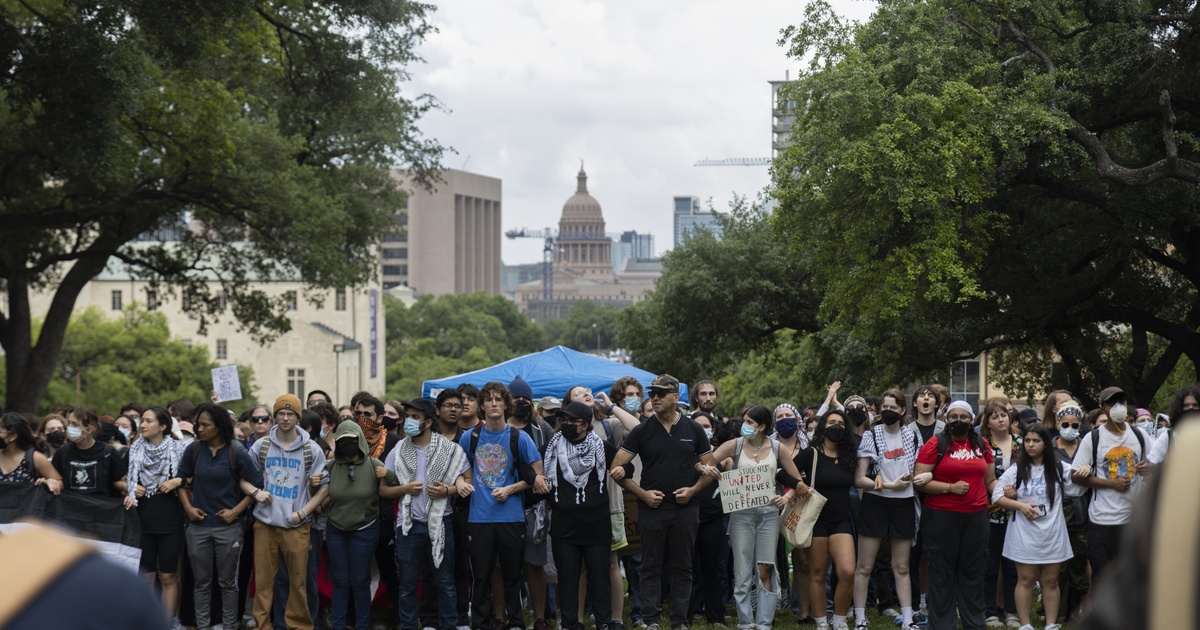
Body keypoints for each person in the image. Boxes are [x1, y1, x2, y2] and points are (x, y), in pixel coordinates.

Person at [610, 375, 720, 630]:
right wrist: (642, 494)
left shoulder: (693, 428)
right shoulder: (642, 430)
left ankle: (680, 621)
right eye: (652, 393)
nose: (655, 398)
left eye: (661, 393)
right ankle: (651, 620)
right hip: (652, 509)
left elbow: (711, 468)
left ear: (676, 397)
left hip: (686, 509)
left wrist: (693, 490)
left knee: (683, 566)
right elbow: (616, 468)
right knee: (650, 566)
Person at [459, 381, 545, 630]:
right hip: (479, 517)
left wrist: (510, 489)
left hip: (511, 516)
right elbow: (460, 470)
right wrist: (461, 482)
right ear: (482, 405)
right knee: (481, 577)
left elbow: (539, 476)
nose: (494, 404)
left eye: (499, 399)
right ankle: (481, 624)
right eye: (489, 399)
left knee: (512, 575)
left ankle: (516, 622)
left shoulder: (519, 437)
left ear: (506, 404)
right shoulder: (470, 437)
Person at [709, 404, 803, 630]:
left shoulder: (778, 448)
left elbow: (798, 482)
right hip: (741, 514)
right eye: (744, 421)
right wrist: (705, 469)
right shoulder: (734, 445)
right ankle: (745, 622)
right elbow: (704, 462)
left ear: (762, 426)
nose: (745, 425)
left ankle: (764, 623)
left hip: (769, 515)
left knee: (765, 568)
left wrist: (786, 498)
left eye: (749, 422)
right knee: (742, 570)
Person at [383, 397, 473, 630]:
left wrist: (448, 490)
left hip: (442, 523)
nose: (409, 422)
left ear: (428, 422)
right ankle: (409, 625)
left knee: (445, 582)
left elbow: (468, 479)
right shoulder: (398, 450)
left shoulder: (450, 449)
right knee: (407, 585)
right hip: (409, 525)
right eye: (408, 417)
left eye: (415, 417)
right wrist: (404, 488)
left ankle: (449, 625)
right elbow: (383, 490)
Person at [178, 402, 267, 630]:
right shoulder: (193, 450)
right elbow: (181, 481)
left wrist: (235, 511)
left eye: (205, 425)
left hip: (230, 529)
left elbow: (257, 486)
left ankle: (229, 626)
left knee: (228, 583)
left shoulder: (236, 452)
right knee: (201, 582)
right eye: (198, 425)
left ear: (218, 426)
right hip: (198, 528)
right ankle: (203, 625)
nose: (199, 429)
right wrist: (188, 508)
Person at [546, 401, 634, 630]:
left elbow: (628, 467)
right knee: (567, 580)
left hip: (597, 526)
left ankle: (603, 622)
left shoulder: (601, 446)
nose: (565, 424)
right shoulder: (552, 446)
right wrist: (535, 478)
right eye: (563, 420)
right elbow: (535, 469)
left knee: (600, 578)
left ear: (584, 425)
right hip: (564, 528)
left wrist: (622, 469)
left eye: (571, 421)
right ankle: (571, 624)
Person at [912, 400, 997, 630]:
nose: (958, 421)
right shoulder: (935, 443)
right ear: (947, 419)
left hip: (976, 517)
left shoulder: (981, 444)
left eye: (963, 417)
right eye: (953, 417)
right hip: (941, 517)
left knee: (973, 572)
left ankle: (974, 624)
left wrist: (1005, 491)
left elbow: (990, 480)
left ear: (971, 420)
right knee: (941, 572)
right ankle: (942, 625)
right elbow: (919, 481)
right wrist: (950, 488)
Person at [249, 394, 329, 630]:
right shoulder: (261, 446)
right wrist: (256, 493)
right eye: (281, 413)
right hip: (265, 523)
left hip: (297, 525)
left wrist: (303, 513)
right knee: (263, 583)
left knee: (298, 583)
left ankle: (300, 626)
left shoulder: (311, 449)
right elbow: (245, 478)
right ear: (275, 416)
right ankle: (262, 625)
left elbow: (325, 488)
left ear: (298, 417)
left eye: (290, 414)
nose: (285, 418)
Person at [991, 423, 1081, 630]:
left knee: (1050, 581)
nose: (1031, 445)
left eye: (1036, 441)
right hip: (1024, 534)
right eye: (1028, 441)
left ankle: (1051, 624)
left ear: (1046, 444)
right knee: (1026, 579)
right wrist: (1019, 505)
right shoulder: (1017, 469)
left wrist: (1084, 470)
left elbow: (1078, 487)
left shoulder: (1059, 467)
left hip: (1053, 533)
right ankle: (1025, 625)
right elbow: (996, 496)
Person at [852, 390, 921, 630]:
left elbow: (920, 471)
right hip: (876, 503)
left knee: (901, 566)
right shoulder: (871, 435)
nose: (888, 411)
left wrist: (920, 478)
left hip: (904, 503)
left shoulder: (912, 437)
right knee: (865, 566)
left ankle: (908, 619)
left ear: (903, 410)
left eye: (893, 407)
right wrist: (889, 485)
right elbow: (859, 479)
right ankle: (860, 618)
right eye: (885, 407)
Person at [325, 420, 400, 630]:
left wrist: (388, 474)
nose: (348, 444)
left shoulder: (374, 464)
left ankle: (362, 625)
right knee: (340, 581)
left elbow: (396, 484)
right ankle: (339, 625)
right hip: (336, 529)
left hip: (365, 529)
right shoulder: (330, 466)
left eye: (352, 440)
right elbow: (318, 494)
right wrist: (314, 485)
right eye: (343, 441)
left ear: (360, 441)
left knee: (360, 581)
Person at [1070, 401, 1150, 585]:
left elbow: (1157, 463)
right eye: (1111, 403)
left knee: (1134, 576)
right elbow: (1075, 476)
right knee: (1103, 578)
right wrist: (1111, 483)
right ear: (1103, 407)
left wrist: (1149, 467)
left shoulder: (1139, 435)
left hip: (1133, 519)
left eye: (1121, 401)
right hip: (1102, 520)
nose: (1117, 406)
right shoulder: (1093, 438)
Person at [794, 409, 859, 630]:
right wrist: (798, 484)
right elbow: (783, 471)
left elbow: (860, 479)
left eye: (841, 423)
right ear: (823, 426)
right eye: (832, 422)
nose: (836, 426)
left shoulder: (849, 455)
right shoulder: (811, 454)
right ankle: (821, 622)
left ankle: (839, 620)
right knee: (818, 573)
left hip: (841, 520)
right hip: (816, 521)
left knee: (847, 572)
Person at [123, 405, 187, 626]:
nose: (142, 425)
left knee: (168, 575)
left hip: (170, 516)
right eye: (142, 420)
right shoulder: (134, 449)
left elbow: (191, 477)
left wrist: (177, 481)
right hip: (142, 517)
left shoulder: (179, 449)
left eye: (148, 421)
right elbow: (123, 481)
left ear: (163, 426)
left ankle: (166, 622)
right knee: (147, 576)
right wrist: (131, 488)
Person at [505, 375, 555, 630]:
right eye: (517, 397)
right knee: (504, 566)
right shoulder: (498, 427)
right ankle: (505, 617)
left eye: (526, 398)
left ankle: (539, 618)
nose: (522, 401)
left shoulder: (542, 429)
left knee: (535, 564)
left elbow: (550, 465)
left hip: (535, 506)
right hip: (503, 505)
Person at [979, 400, 1020, 629]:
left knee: (1013, 565)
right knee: (990, 565)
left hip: (1017, 513)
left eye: (1003, 415)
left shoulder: (1022, 443)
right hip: (991, 513)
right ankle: (990, 612)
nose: (1001, 419)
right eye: (995, 417)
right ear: (988, 423)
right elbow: (986, 480)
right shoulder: (983, 445)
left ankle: (1011, 611)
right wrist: (1003, 492)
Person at [1051, 402, 1089, 623]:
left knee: (1078, 561)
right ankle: (1056, 611)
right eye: (1065, 424)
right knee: (1058, 565)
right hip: (1057, 511)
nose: (1069, 428)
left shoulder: (1087, 445)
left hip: (1082, 510)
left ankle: (1075, 610)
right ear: (1058, 424)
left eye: (1074, 425)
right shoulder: (1050, 448)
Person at [773, 403, 812, 622]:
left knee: (802, 560)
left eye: (788, 415)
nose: (784, 419)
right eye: (780, 416)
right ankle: (770, 607)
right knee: (770, 560)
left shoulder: (808, 447)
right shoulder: (767, 447)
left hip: (801, 506)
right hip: (773, 504)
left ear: (797, 420)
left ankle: (803, 611)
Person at [51, 406, 127, 496]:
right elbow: (55, 479)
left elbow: (118, 480)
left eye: (75, 424)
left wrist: (131, 488)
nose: (70, 427)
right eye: (69, 423)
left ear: (89, 430)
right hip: (70, 503)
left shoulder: (108, 453)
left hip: (100, 503)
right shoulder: (62, 453)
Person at [1, 412, 62, 492]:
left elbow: (59, 482)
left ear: (13, 436)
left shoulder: (34, 458)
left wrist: (49, 483)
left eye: (0, 431)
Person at [1148, 383, 1200, 464]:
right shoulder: (1168, 436)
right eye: (1186, 405)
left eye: (1195, 405)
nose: (1191, 408)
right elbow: (1153, 462)